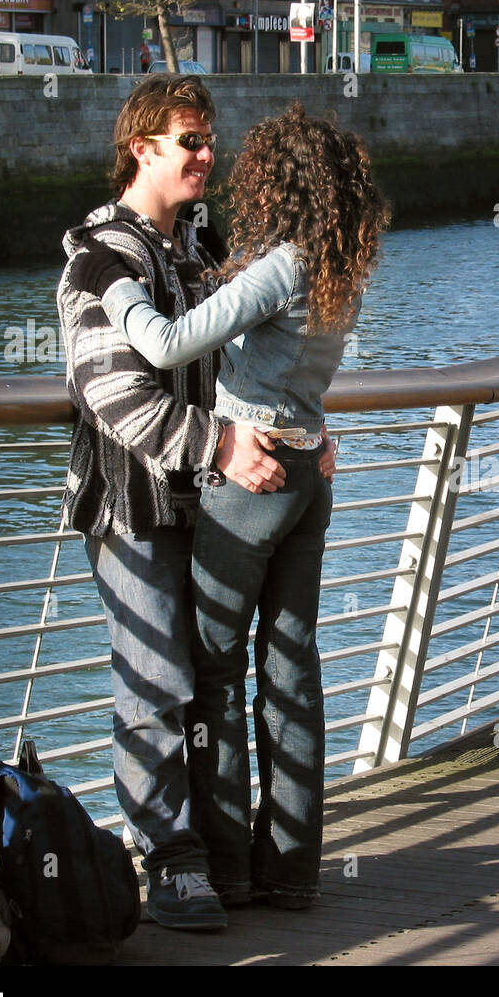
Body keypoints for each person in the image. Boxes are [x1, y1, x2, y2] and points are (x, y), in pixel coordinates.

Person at [84, 103, 389, 908]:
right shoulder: (338, 264)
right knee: (292, 672)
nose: (222, 163)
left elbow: (164, 344)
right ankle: (290, 873)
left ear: (279, 182)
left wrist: (107, 287)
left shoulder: (282, 265)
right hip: (307, 479)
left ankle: (223, 870)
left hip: (248, 481)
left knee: (214, 677)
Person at [57, 75, 308, 931]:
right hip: (132, 502)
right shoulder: (102, 255)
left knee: (210, 677)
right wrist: (221, 444)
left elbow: (262, 353)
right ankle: (170, 861)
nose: (208, 155)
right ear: (142, 146)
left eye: (208, 140)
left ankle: (219, 859)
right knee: (156, 679)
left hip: (209, 496)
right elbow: (112, 397)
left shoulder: (200, 245)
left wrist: (297, 430)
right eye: (190, 141)